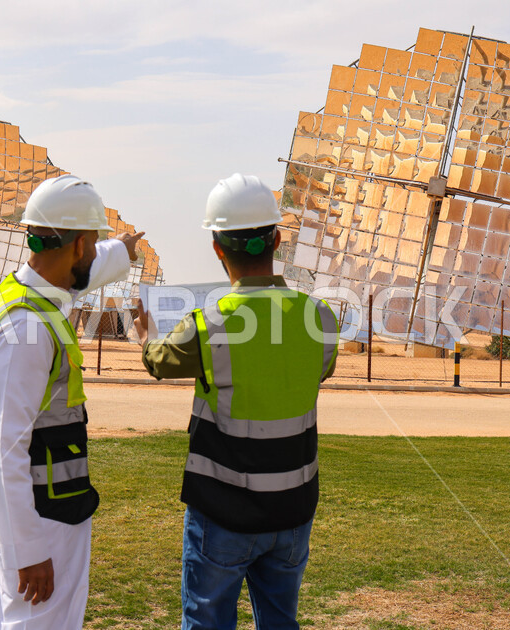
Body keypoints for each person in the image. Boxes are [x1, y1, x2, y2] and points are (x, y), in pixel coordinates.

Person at [0, 175, 145, 630]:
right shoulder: (27, 331)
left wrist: (123, 250)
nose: (94, 252)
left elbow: (85, 272)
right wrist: (26, 551)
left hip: (7, 510)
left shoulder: (30, 292)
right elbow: (5, 446)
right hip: (40, 518)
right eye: (93, 244)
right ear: (77, 245)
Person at [134, 173, 338, 629]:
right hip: (293, 510)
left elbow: (160, 362)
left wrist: (144, 335)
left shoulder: (207, 325)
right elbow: (319, 368)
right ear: (277, 240)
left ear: (217, 247)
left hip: (223, 514)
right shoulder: (320, 319)